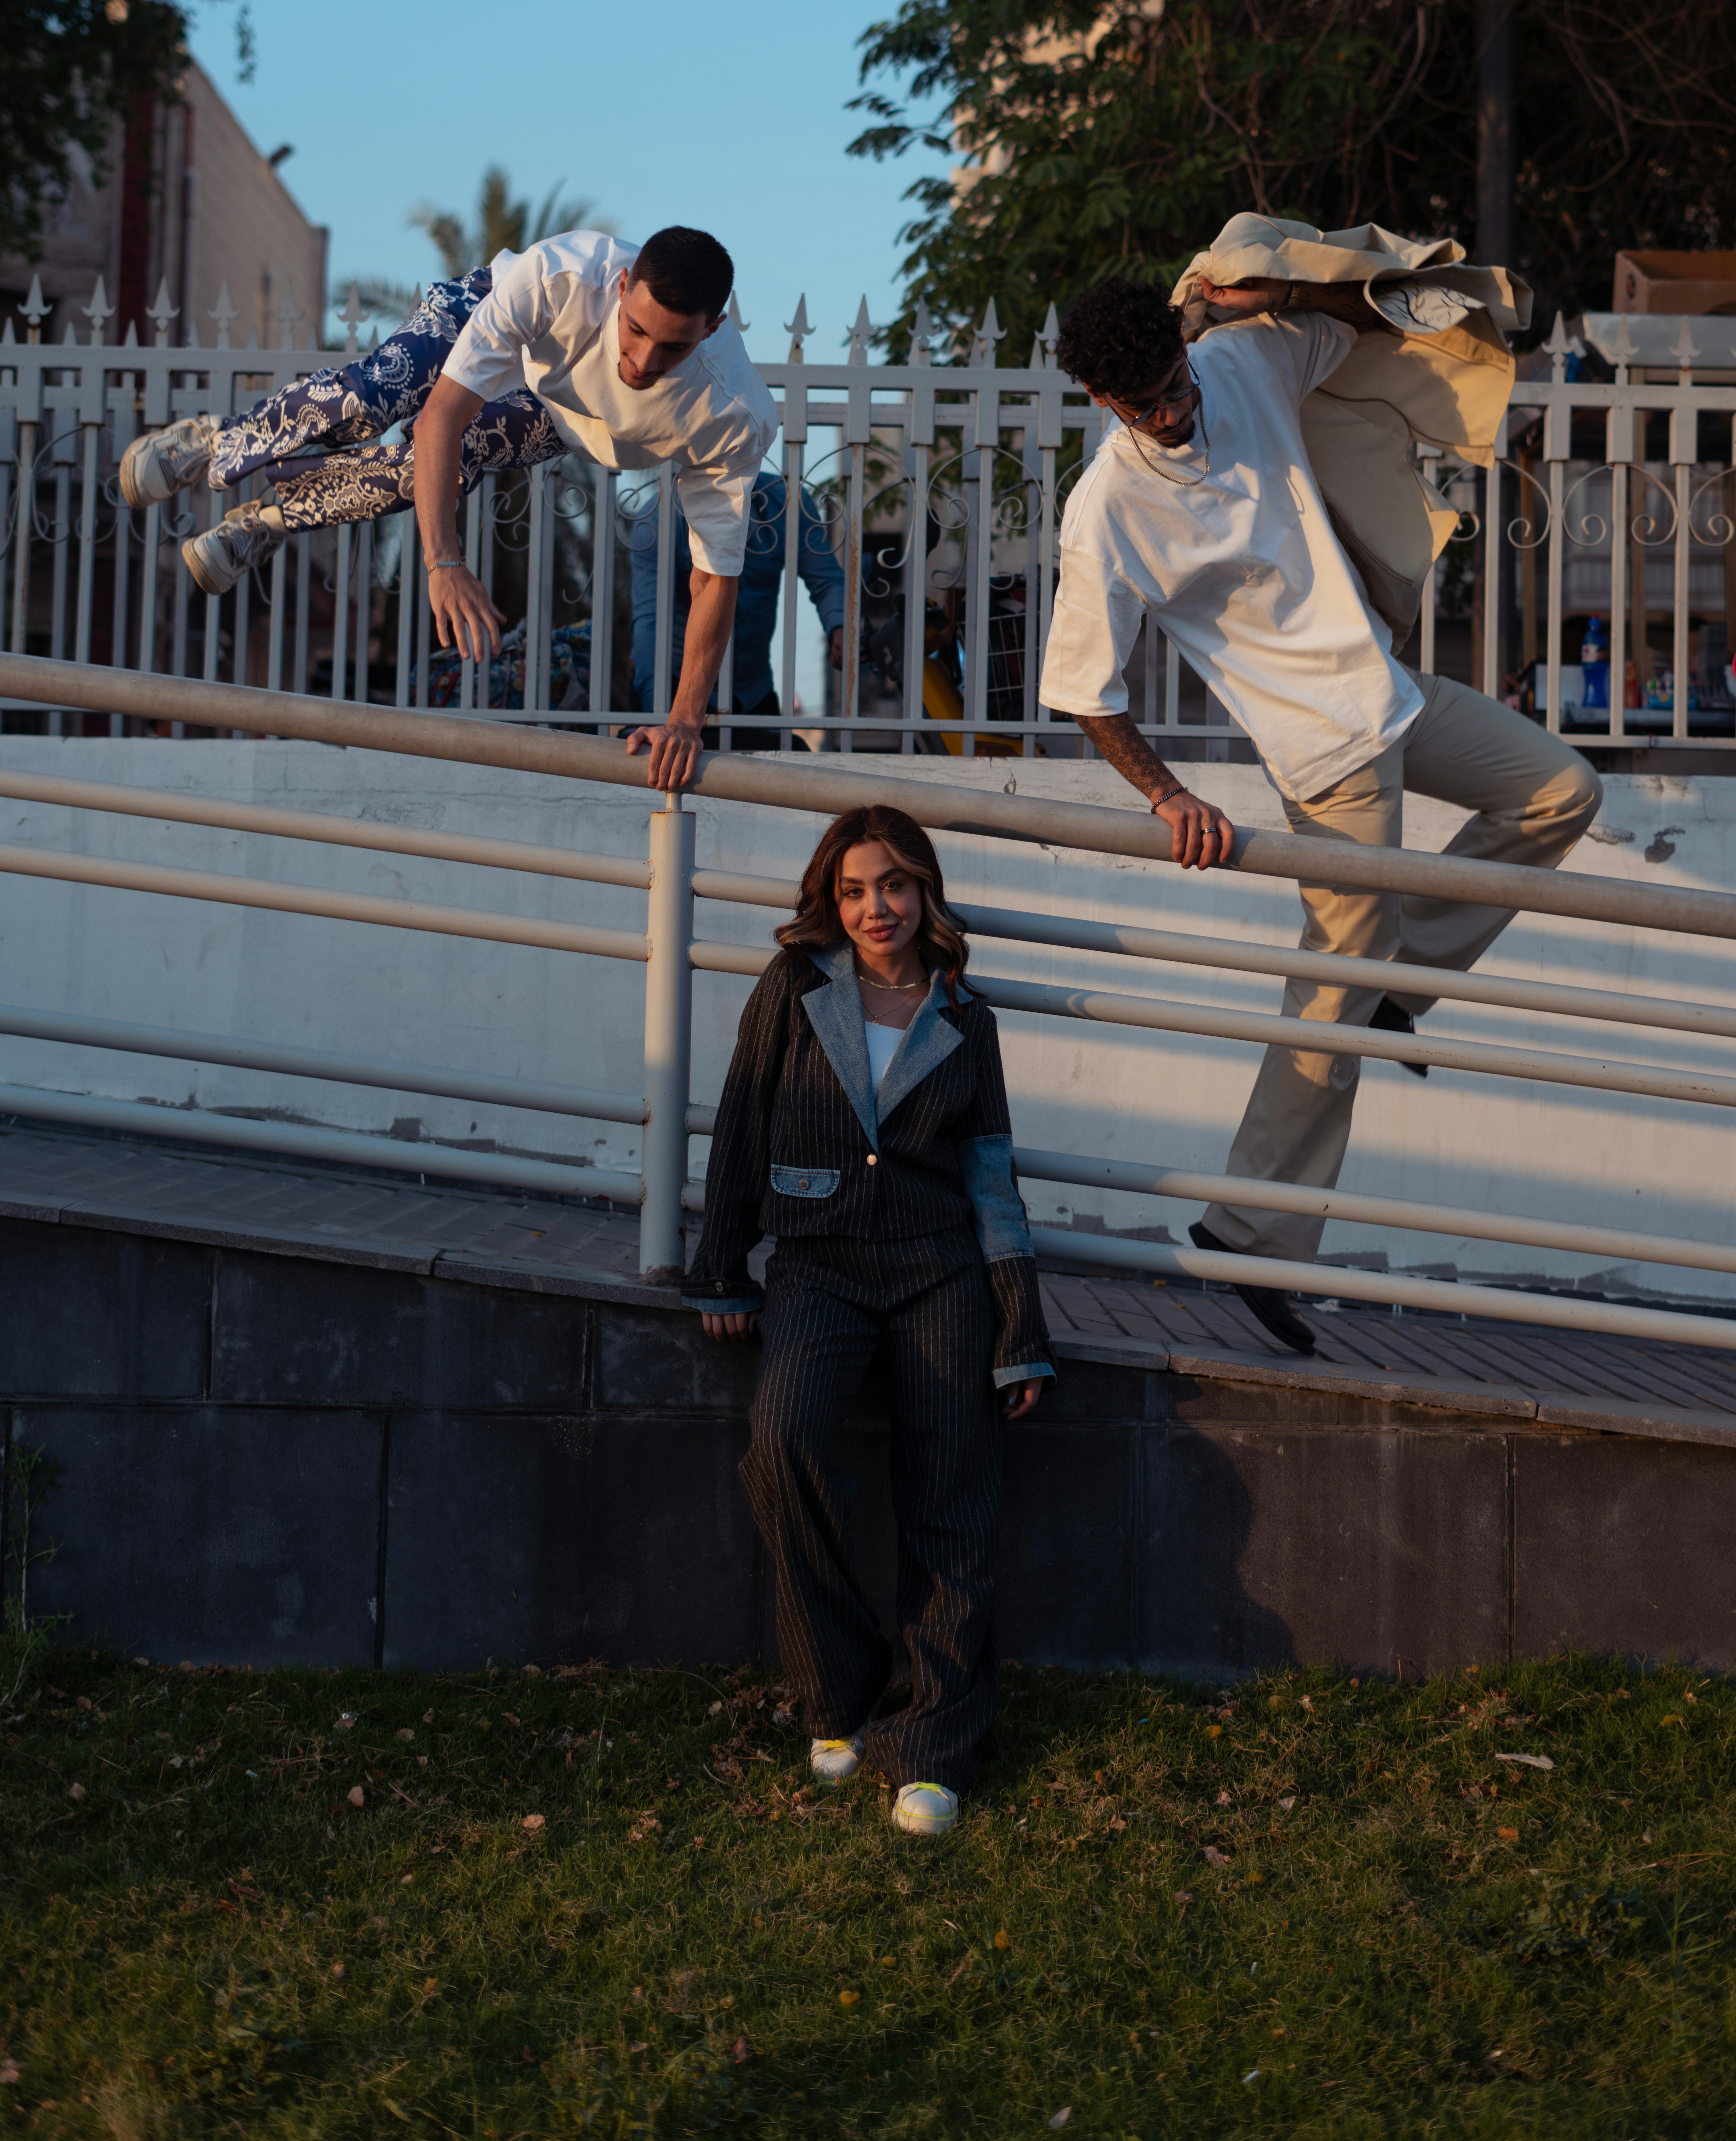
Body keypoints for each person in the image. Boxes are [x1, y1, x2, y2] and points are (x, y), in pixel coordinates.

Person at [1037, 244, 1600, 1356]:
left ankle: (1407, 978)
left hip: (1393, 691)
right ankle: (1251, 1231)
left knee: (1559, 791)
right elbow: (1086, 696)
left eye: (1178, 384)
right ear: (1104, 402)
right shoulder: (1103, 511)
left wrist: (1281, 291)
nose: (1177, 411)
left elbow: (1377, 316)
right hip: (1323, 756)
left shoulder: (1241, 362)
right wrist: (1168, 796)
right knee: (1328, 995)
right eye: (1149, 406)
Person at [683, 804, 1054, 1837]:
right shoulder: (794, 990)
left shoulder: (964, 1019)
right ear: (827, 900)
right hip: (818, 1269)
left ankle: (932, 1743)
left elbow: (991, 1183)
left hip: (939, 1274)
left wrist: (1018, 1322)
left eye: (891, 884)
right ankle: (838, 1693)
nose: (873, 907)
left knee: (952, 1492)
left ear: (924, 890)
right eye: (851, 890)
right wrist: (721, 1272)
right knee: (782, 1443)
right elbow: (741, 1119)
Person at [118, 226, 778, 790]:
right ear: (622, 283)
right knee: (383, 393)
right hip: (490, 313)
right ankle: (213, 443)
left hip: (564, 413)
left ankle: (271, 517)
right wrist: (443, 561)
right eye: (635, 331)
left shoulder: (730, 413)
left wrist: (685, 720)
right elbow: (441, 417)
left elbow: (714, 575)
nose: (642, 360)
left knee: (431, 473)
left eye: (673, 348)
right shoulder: (559, 276)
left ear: (713, 329)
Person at [630, 468, 846, 743]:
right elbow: (650, 622)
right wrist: (657, 711)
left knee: (780, 768)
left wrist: (839, 626)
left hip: (752, 690)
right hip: (675, 684)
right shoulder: (659, 517)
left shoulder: (787, 502)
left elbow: (826, 580)